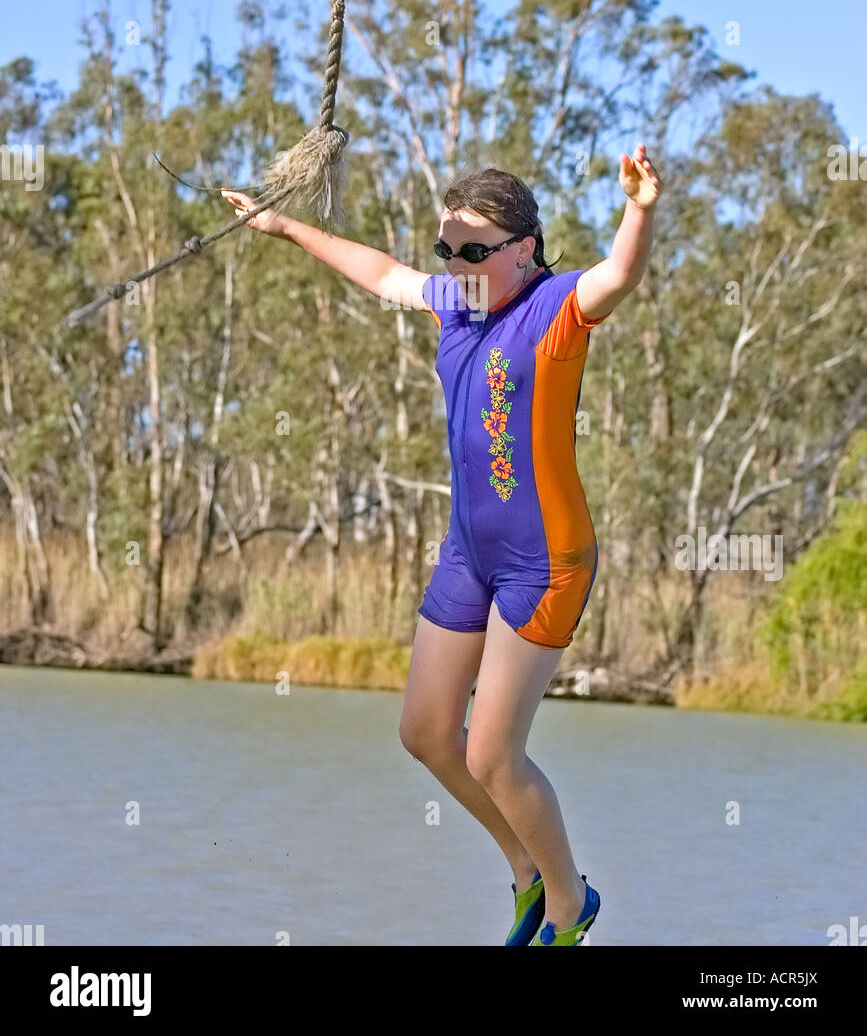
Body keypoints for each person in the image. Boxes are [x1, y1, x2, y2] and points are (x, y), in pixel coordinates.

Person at [222, 143, 661, 945]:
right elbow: (381, 272)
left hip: (544, 560)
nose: (455, 264)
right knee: (426, 733)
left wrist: (637, 210)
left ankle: (568, 905)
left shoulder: (557, 307)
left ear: (522, 250)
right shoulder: (452, 303)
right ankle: (526, 868)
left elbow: (618, 277)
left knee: (494, 753)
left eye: (474, 251)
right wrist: (281, 226)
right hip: (469, 552)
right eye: (447, 250)